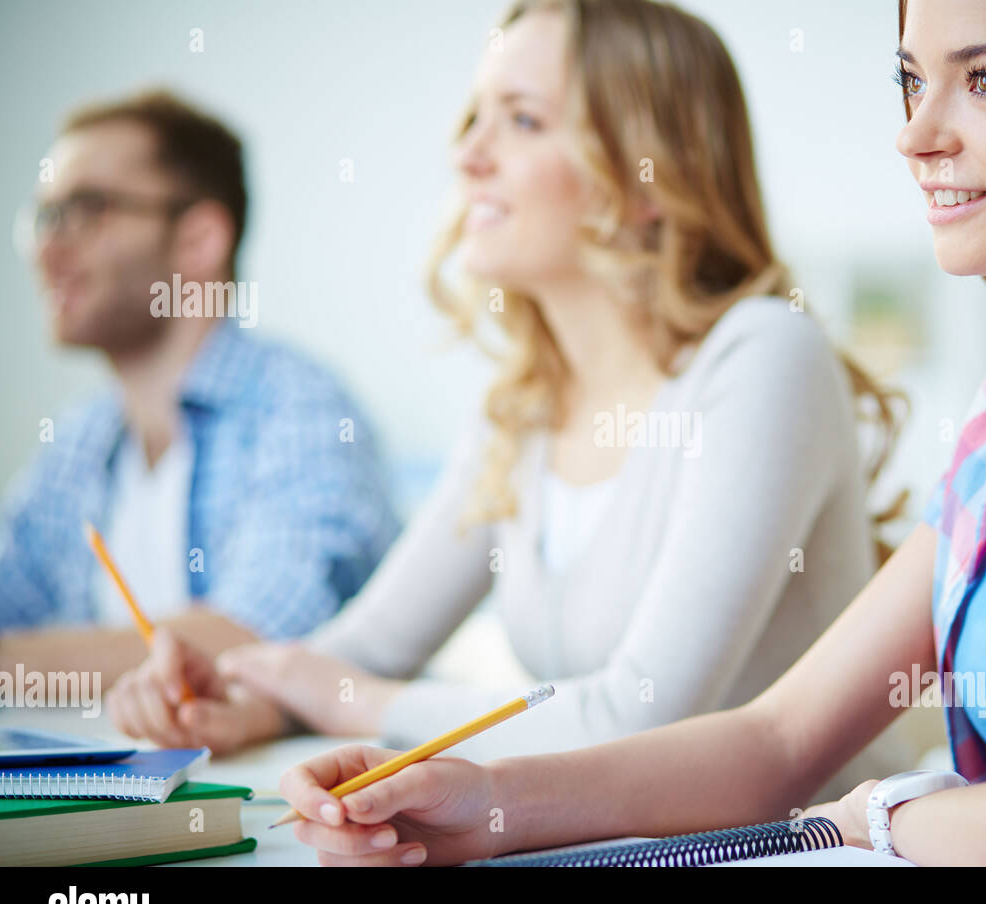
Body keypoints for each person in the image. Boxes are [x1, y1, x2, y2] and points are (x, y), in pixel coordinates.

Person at [279, 0, 986, 867]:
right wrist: (484, 802)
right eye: (909, 80)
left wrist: (882, 814)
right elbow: (774, 738)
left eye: (985, 84)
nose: (914, 133)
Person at [103, 0, 923, 805]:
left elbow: (638, 713)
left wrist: (352, 699)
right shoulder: (523, 410)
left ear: (648, 178)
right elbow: (367, 645)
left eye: (523, 120)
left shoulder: (763, 356)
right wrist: (240, 693)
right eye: (474, 118)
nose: (468, 157)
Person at [0, 91, 400, 688]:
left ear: (199, 240)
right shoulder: (78, 442)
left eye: (88, 208)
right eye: (45, 217)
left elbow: (249, 642)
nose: (48, 249)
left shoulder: (299, 408)